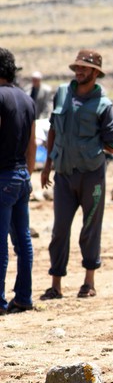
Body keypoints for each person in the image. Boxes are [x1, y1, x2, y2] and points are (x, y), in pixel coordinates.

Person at [39, 49, 113, 301]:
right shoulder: (62, 93)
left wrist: (92, 151)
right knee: (60, 230)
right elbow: (53, 127)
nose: (79, 71)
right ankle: (56, 284)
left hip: (92, 176)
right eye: (77, 67)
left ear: (96, 73)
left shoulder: (103, 105)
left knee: (90, 228)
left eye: (84, 68)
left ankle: (88, 282)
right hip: (63, 173)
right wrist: (47, 164)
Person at [0, 48, 37, 313]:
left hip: (3, 175)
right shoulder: (26, 99)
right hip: (22, 174)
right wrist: (28, 174)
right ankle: (23, 297)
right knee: (22, 241)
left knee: (0, 242)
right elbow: (32, 144)